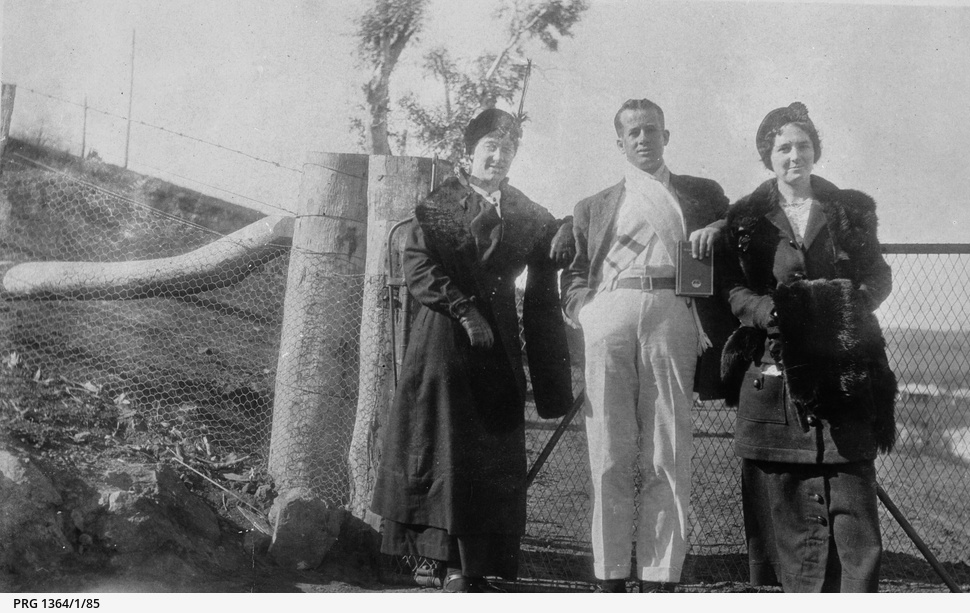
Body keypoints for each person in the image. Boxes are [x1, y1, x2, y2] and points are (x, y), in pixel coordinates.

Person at [371, 108, 574, 593]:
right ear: (470, 152)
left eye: (508, 149)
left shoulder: (523, 210)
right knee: (443, 445)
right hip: (444, 339)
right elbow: (419, 268)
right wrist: (464, 311)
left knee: (489, 449)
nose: (499, 157)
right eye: (491, 147)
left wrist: (569, 225)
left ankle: (476, 567)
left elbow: (557, 238)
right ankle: (438, 562)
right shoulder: (441, 205)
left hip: (498, 342)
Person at [718, 102, 898, 592]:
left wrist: (841, 309)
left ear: (815, 150)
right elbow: (733, 289)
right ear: (768, 156)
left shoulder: (851, 210)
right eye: (782, 148)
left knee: (851, 499)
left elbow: (878, 278)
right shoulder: (745, 219)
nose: (794, 155)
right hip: (774, 369)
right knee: (781, 504)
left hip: (844, 368)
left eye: (802, 145)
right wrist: (766, 312)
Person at [560, 98, 736, 593]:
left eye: (652, 130)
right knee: (609, 451)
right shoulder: (593, 205)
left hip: (671, 310)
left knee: (668, 446)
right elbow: (575, 269)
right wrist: (583, 312)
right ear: (619, 142)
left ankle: (661, 575)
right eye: (633, 132)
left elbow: (741, 227)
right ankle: (611, 573)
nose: (643, 139)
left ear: (666, 135)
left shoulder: (700, 194)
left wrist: (718, 228)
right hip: (610, 313)